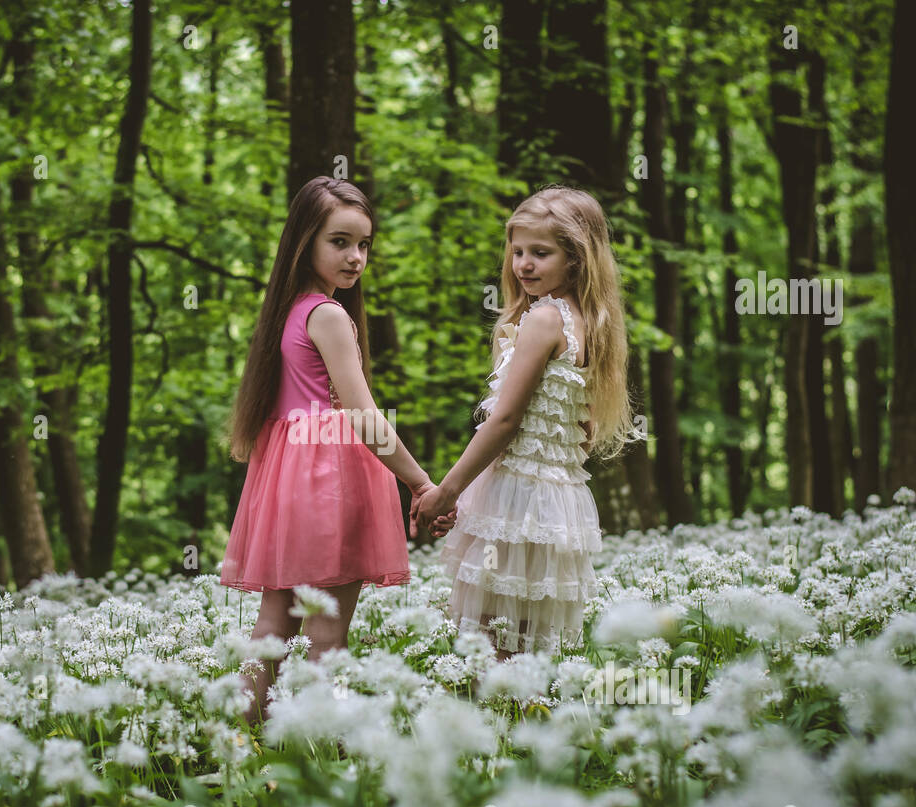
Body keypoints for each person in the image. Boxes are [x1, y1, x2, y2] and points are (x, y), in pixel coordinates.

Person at [220, 175, 456, 724]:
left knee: (274, 624)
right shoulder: (327, 315)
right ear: (306, 241)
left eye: (364, 244)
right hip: (329, 476)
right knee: (327, 631)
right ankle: (327, 751)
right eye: (340, 241)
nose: (356, 257)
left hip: (286, 477)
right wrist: (422, 482)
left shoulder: (289, 309)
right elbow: (363, 416)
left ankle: (238, 736)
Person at [411, 185, 643, 660]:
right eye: (517, 251)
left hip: (517, 498)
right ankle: (524, 728)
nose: (524, 264)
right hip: (559, 506)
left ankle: (489, 730)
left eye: (541, 252)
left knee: (484, 645)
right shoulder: (587, 322)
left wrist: (446, 492)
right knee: (528, 648)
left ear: (576, 259)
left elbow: (505, 421)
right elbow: (580, 434)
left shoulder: (543, 319)